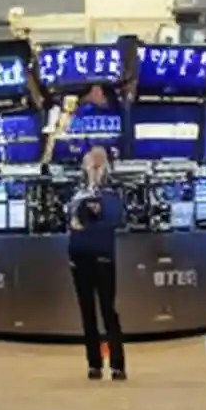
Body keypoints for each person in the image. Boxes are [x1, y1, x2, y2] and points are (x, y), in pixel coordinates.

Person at [67, 146, 127, 381]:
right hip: (79, 256)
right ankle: (94, 364)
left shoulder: (113, 193)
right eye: (91, 164)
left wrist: (94, 203)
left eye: (98, 165)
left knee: (108, 311)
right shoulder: (76, 193)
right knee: (87, 312)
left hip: (103, 257)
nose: (94, 168)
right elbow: (72, 220)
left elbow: (112, 219)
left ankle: (117, 365)